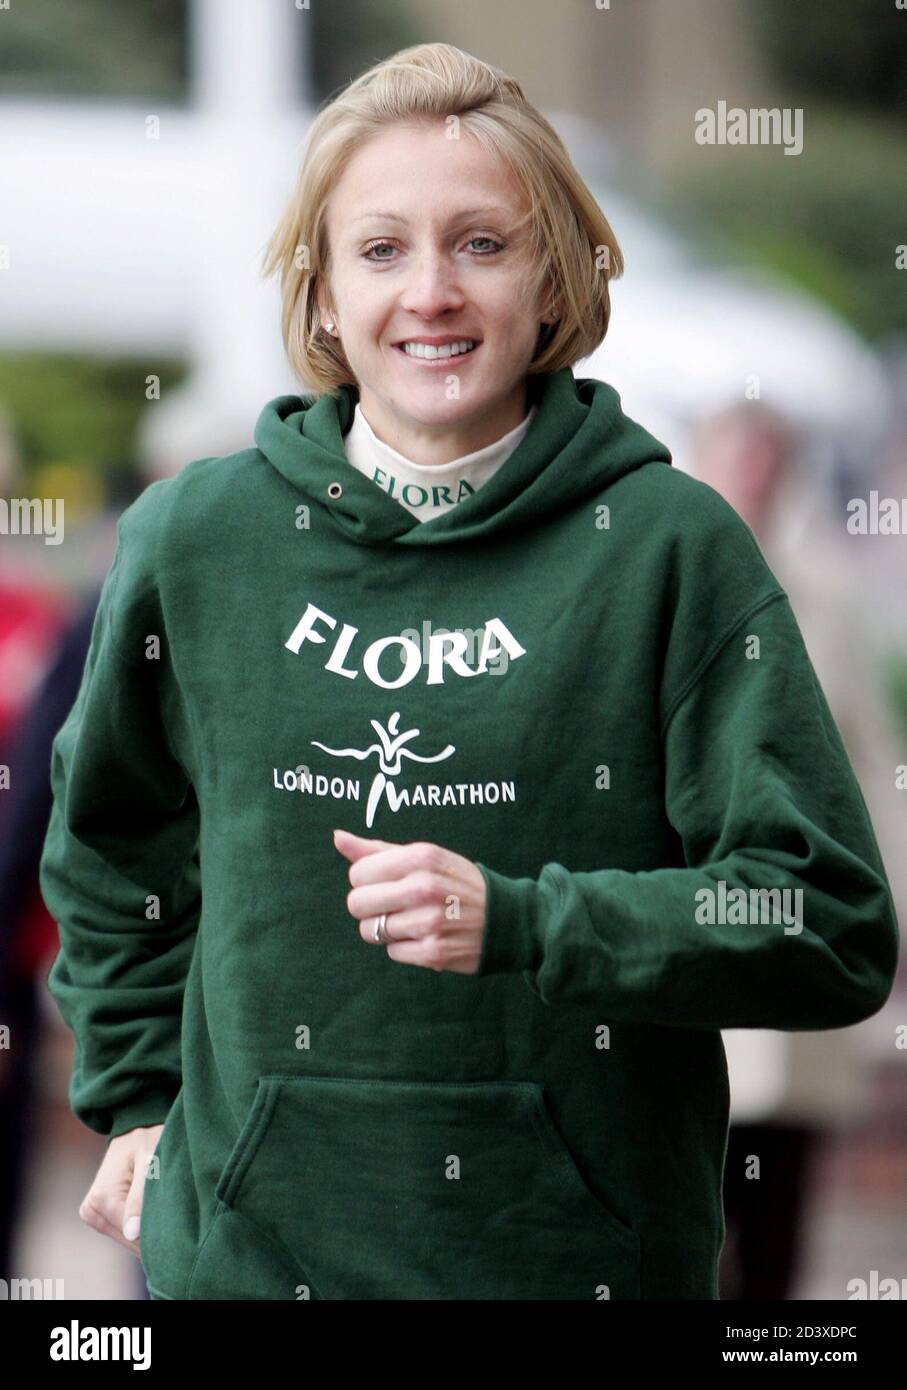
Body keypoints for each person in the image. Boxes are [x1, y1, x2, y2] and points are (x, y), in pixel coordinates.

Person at [38, 42, 899, 1302]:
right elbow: (111, 850)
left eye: (482, 244)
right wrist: (135, 1098)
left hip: (573, 1266)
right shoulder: (199, 541)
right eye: (381, 249)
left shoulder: (670, 548)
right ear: (321, 293)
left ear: (551, 279)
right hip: (251, 1265)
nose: (430, 291)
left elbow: (820, 921)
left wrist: (533, 920)